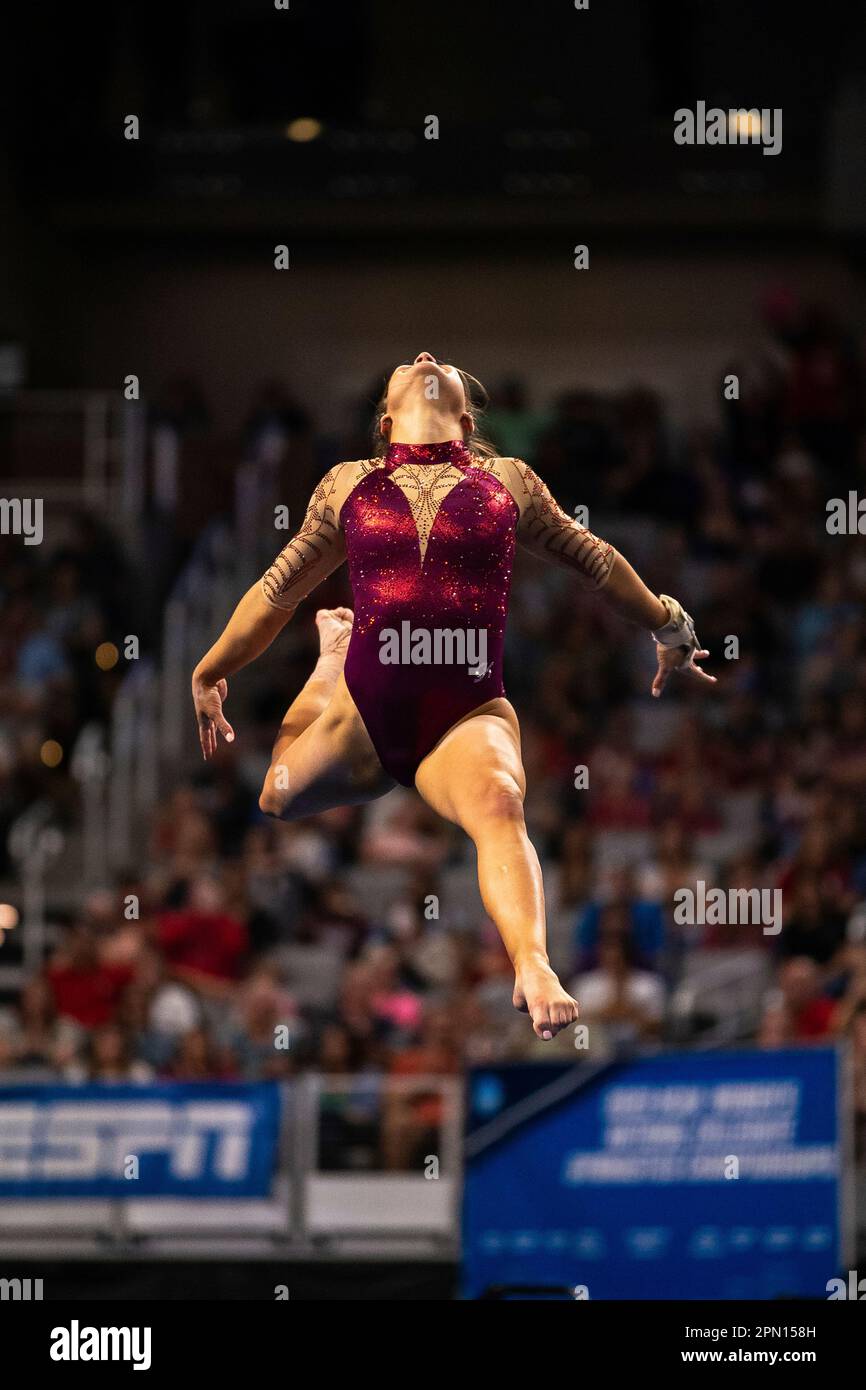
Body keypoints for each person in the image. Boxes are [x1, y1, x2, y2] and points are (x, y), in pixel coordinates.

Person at [192, 352, 715, 1040]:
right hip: (364, 712)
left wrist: (668, 621)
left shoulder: (508, 482)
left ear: (466, 420)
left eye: (438, 360)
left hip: (462, 716)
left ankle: (532, 963)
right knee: (276, 797)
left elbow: (597, 562)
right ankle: (330, 663)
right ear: (384, 417)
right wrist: (209, 669)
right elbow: (276, 591)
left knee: (501, 805)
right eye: (410, 362)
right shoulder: (346, 484)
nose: (425, 357)